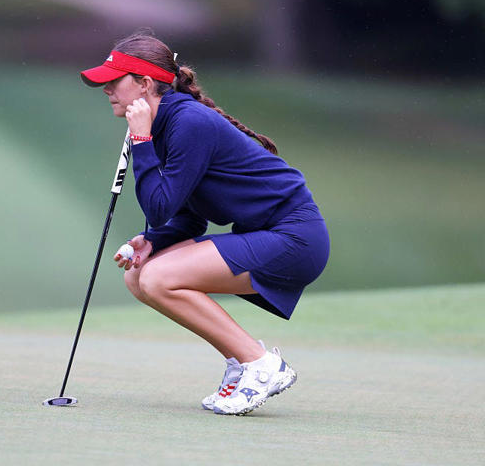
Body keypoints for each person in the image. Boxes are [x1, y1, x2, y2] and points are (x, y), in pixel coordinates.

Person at [79, 31, 330, 415]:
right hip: (267, 234)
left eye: (115, 81)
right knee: (141, 273)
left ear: (145, 84)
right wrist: (153, 240)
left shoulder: (186, 123)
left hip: (294, 238)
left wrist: (142, 141)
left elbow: (160, 205)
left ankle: (261, 365)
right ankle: (240, 363)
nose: (106, 89)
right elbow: (189, 215)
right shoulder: (168, 125)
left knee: (158, 279)